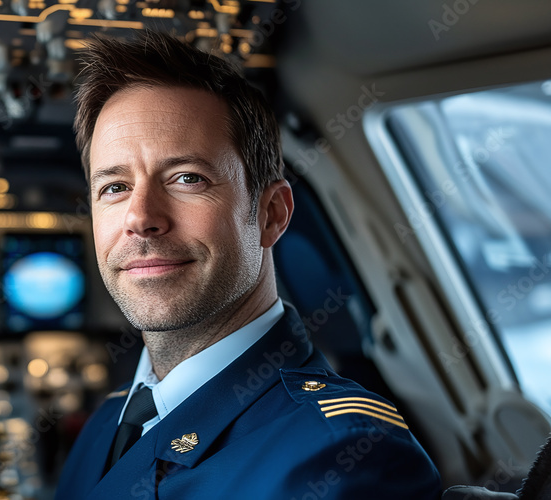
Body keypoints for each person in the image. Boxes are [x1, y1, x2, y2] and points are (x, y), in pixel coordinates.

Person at [55, 31, 442, 499]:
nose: (140, 218)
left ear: (272, 214)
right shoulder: (107, 424)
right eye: (114, 188)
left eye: (187, 178)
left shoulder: (341, 454)